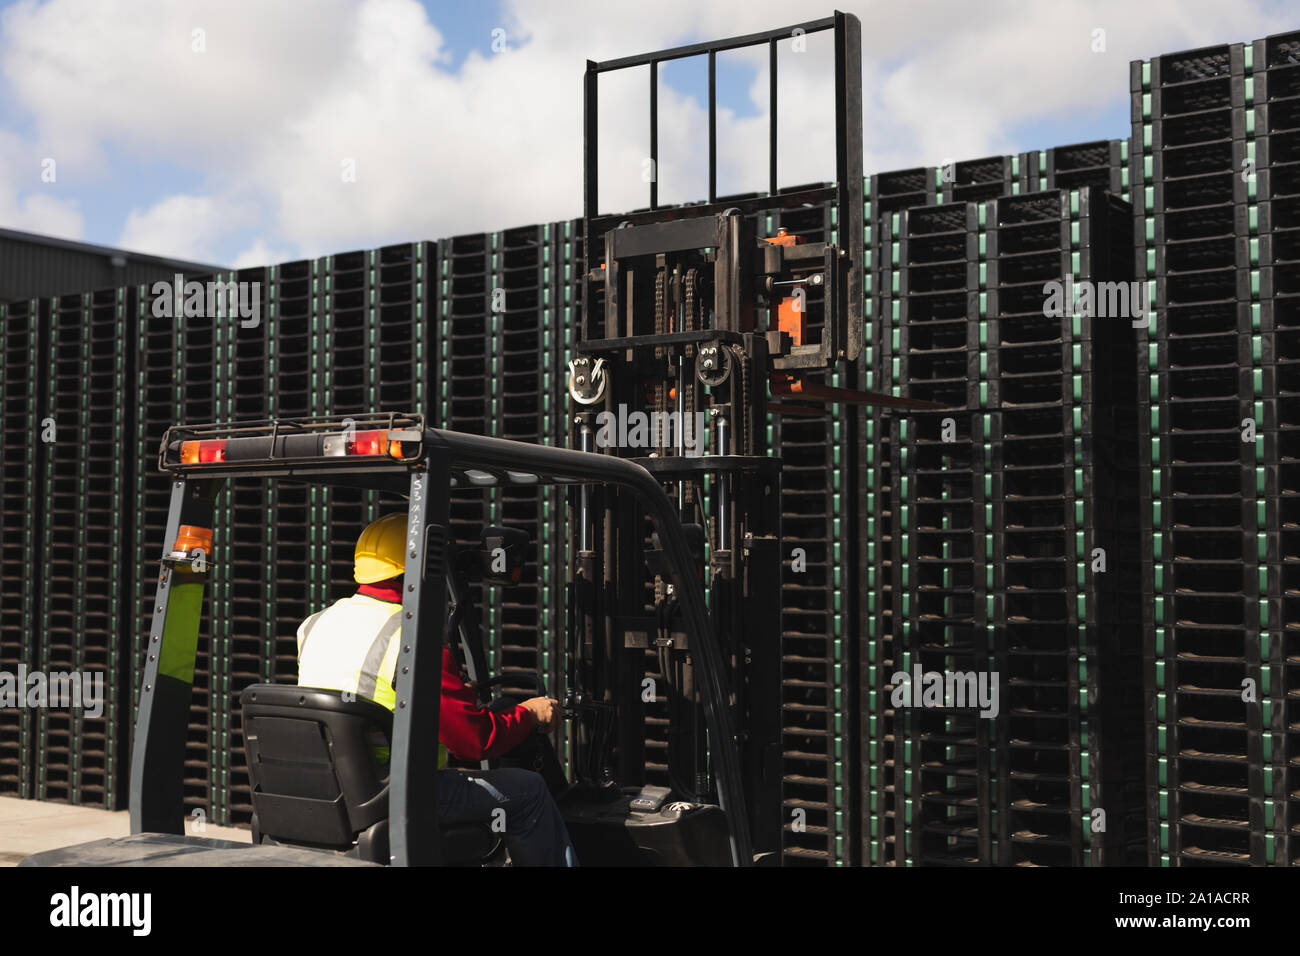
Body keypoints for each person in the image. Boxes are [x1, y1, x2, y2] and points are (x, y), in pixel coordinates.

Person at [296, 512, 578, 866]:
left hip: (331, 787)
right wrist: (528, 713)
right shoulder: (411, 638)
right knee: (529, 791)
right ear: (415, 570)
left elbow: (367, 689)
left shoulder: (314, 624)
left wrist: (447, 691)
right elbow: (475, 741)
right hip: (396, 793)